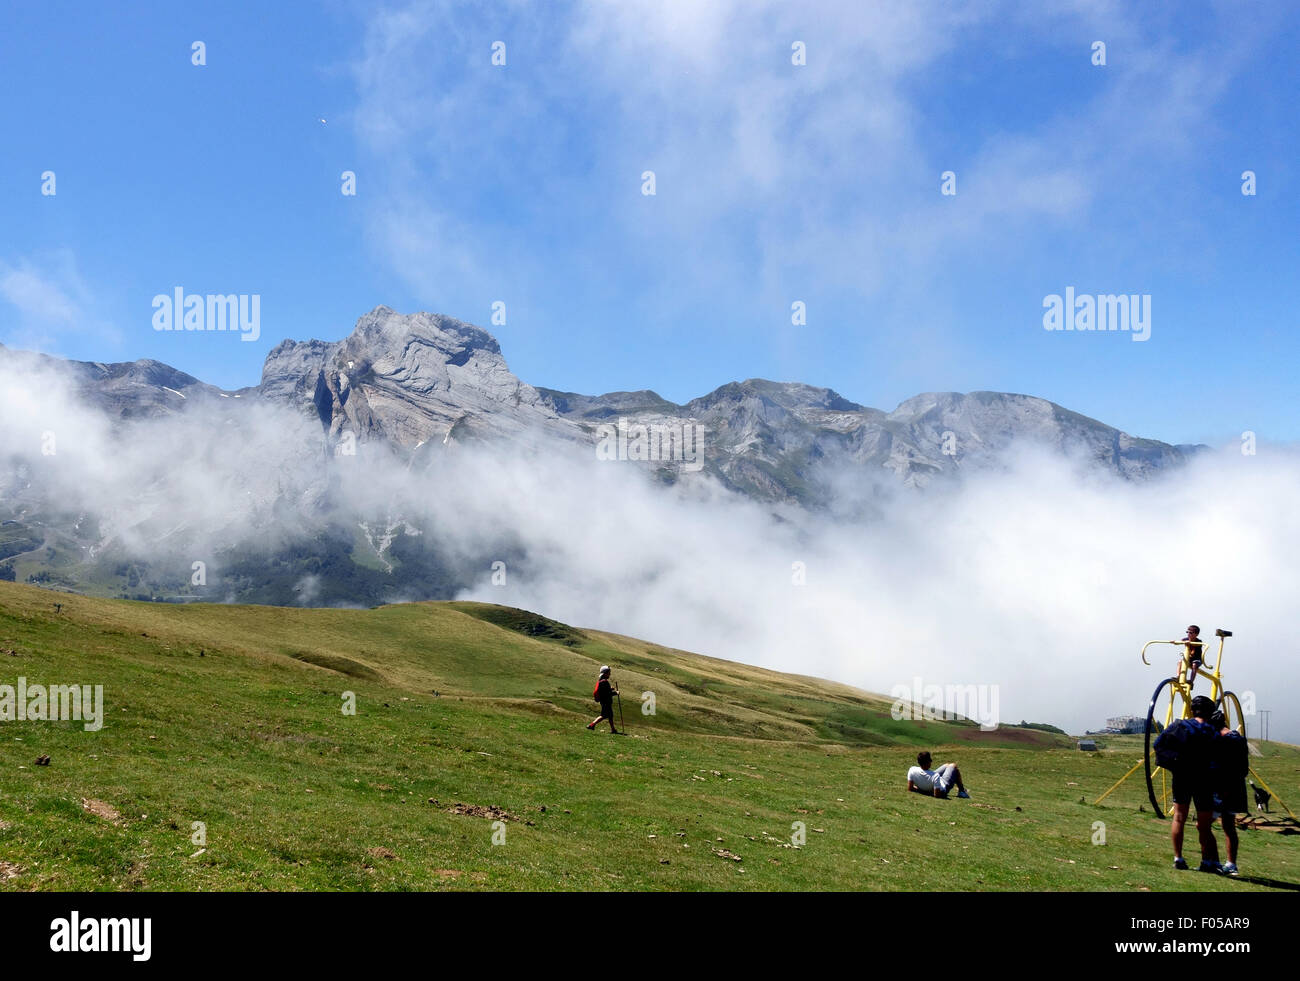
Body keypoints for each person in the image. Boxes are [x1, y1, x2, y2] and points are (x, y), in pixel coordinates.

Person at [1157, 694, 1220, 872]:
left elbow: (1159, 744)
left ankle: (1178, 858)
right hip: (1204, 780)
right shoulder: (1212, 731)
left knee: (1179, 817)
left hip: (1182, 777)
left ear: (1192, 710)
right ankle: (1206, 861)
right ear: (1209, 712)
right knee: (1204, 823)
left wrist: (1173, 765)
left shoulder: (1179, 726)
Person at [1210, 709, 1249, 876]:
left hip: (1222, 789)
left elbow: (1219, 767)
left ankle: (1213, 862)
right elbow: (1243, 769)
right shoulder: (1239, 740)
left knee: (1203, 825)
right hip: (1237, 788)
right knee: (1229, 826)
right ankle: (1231, 863)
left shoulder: (1222, 741)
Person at [586, 665, 619, 733]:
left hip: (604, 701)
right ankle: (591, 725)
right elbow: (607, 694)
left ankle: (613, 729)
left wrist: (610, 689)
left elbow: (605, 691)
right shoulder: (605, 682)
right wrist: (616, 692)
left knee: (610, 715)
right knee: (604, 715)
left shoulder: (601, 681)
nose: (610, 674)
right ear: (605, 673)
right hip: (606, 701)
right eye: (609, 672)